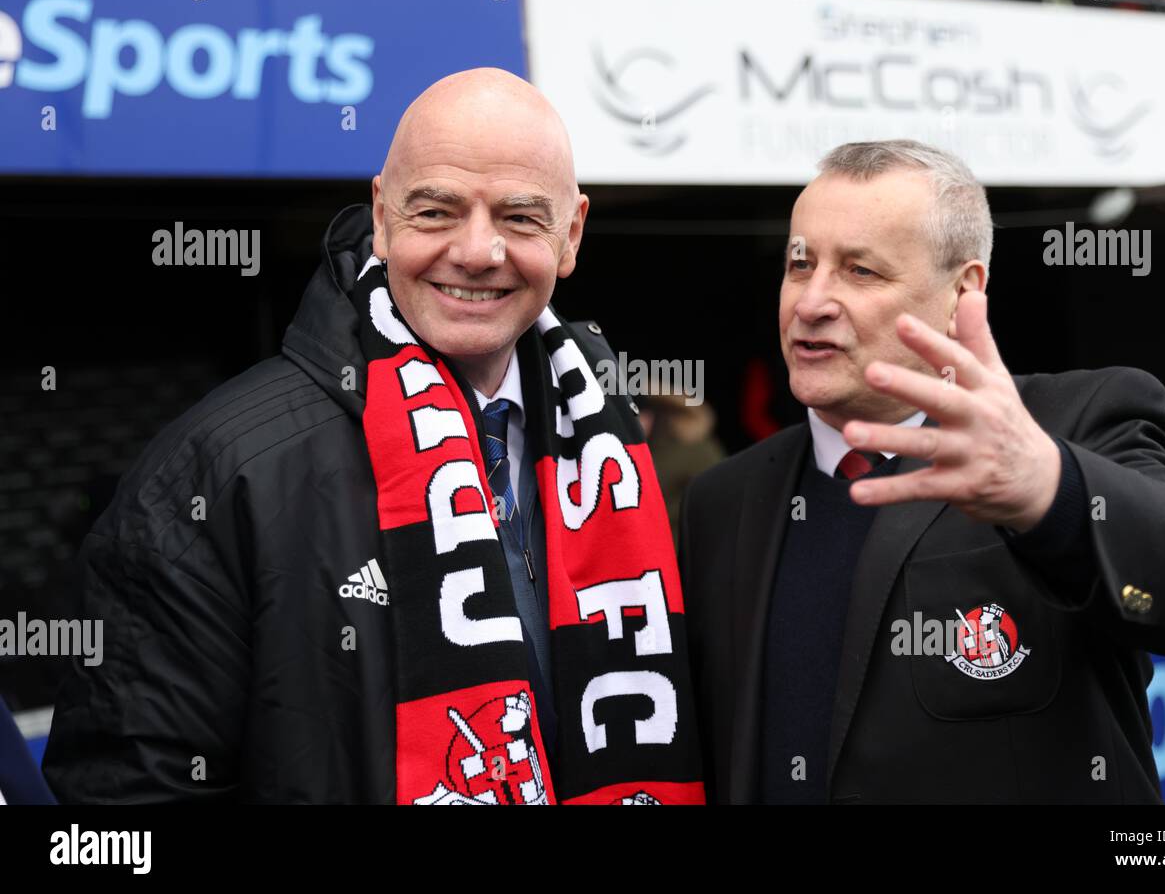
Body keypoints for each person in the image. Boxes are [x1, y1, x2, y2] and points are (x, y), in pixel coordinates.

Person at [42, 68, 703, 805]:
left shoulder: (626, 446)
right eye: (437, 211)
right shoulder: (219, 471)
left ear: (571, 233)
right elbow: (127, 799)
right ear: (382, 215)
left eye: (520, 217)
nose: (479, 252)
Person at [678, 139, 1165, 803]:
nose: (812, 301)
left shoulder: (1077, 421)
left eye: (861, 272)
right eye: (800, 263)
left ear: (963, 293)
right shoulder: (723, 499)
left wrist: (1050, 490)